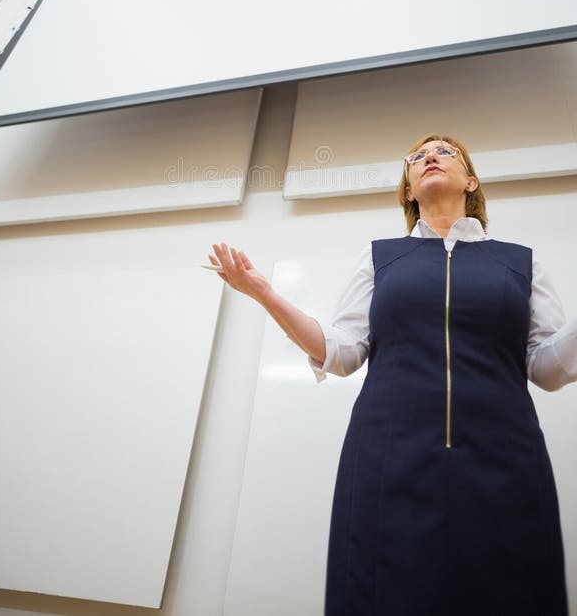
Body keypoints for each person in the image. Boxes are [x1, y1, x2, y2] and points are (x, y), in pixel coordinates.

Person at [208, 134, 575, 616]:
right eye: (417, 157)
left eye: (444, 151)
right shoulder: (382, 258)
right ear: (407, 190)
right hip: (389, 457)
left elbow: (546, 369)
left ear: (471, 180)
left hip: (505, 459)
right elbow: (340, 352)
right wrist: (265, 294)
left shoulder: (520, 263)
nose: (429, 158)